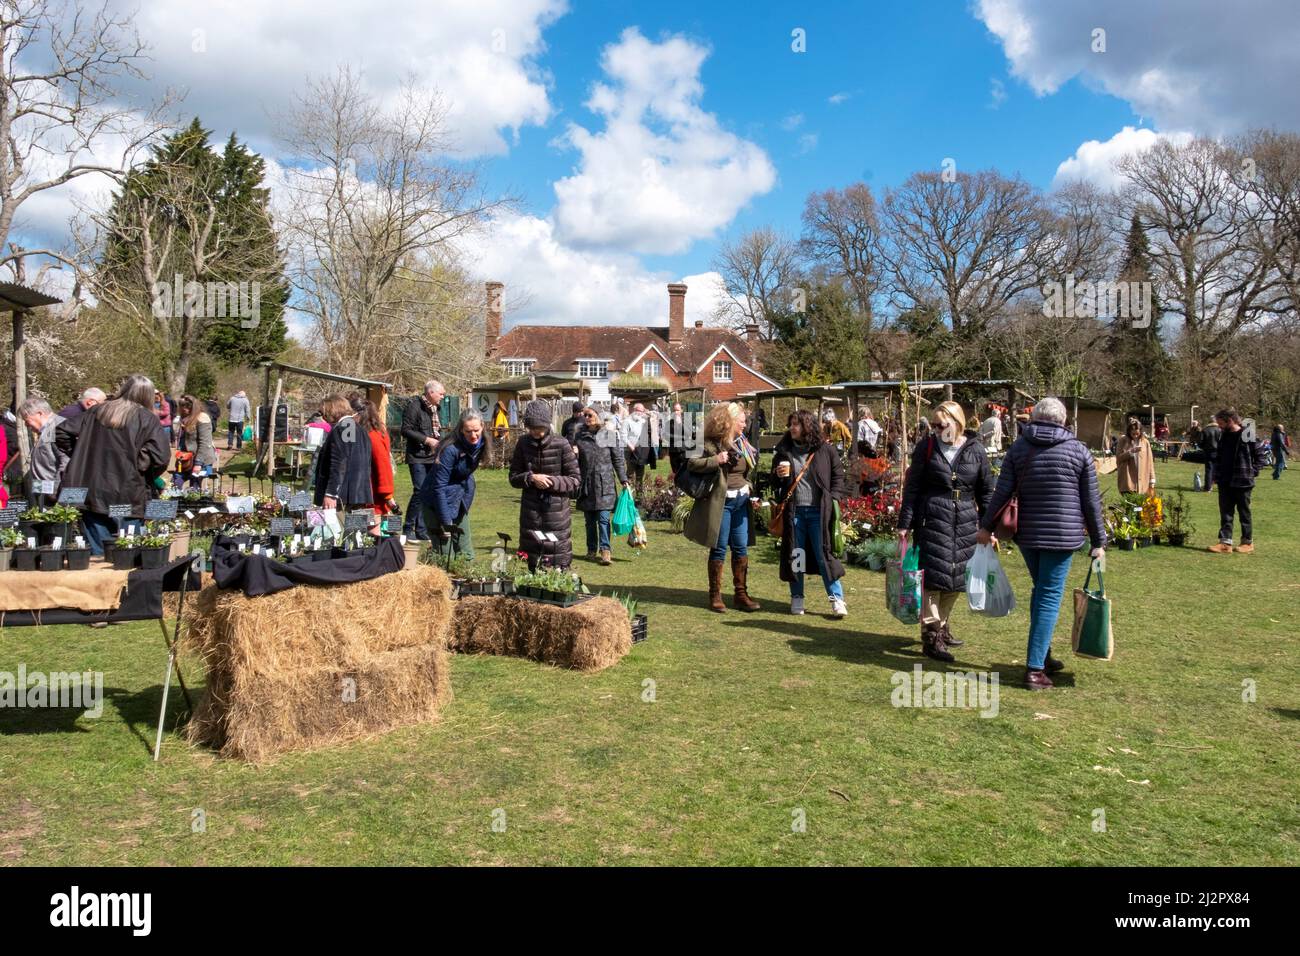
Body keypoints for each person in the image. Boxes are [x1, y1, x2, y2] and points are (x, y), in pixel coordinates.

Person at [976, 397, 1106, 690]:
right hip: (1062, 536)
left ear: (1033, 419)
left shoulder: (1019, 449)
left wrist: (985, 526)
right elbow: (1091, 503)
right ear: (1063, 421)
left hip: (1028, 535)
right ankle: (1035, 668)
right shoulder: (1078, 451)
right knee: (1048, 596)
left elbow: (1001, 492)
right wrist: (1099, 540)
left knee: (1041, 592)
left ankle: (1042, 655)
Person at [899, 400, 994, 660]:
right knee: (932, 579)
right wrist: (904, 524)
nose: (938, 428)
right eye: (935, 424)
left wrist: (988, 525)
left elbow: (986, 491)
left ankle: (942, 626)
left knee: (956, 579)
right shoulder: (927, 448)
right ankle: (931, 637)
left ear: (958, 422)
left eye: (943, 423)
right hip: (933, 519)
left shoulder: (975, 450)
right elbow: (912, 488)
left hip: (964, 521)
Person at [55, 374, 171, 555]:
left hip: (93, 492)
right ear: (148, 396)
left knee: (98, 555)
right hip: (129, 492)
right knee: (128, 555)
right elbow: (160, 457)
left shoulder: (97, 411)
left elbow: (61, 432)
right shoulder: (146, 418)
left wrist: (82, 456)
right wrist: (140, 466)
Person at [684, 402, 760, 613]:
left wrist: (749, 487)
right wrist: (715, 460)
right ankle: (715, 596)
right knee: (718, 548)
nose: (745, 424)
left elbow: (747, 472)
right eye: (742, 421)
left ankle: (741, 595)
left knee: (741, 547)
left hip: (741, 502)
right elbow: (691, 463)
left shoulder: (742, 442)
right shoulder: (708, 441)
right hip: (721, 502)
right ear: (729, 422)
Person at [772, 409, 848, 618]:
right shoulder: (784, 451)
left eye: (796, 424)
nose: (792, 428)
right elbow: (774, 481)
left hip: (819, 512)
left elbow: (838, 476)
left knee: (824, 555)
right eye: (791, 424)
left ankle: (836, 599)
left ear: (807, 426)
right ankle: (797, 598)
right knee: (797, 556)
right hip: (795, 512)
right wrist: (778, 476)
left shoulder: (825, 450)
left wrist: (834, 498)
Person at [509, 399, 580, 570]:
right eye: (532, 428)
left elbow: (575, 480)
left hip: (556, 514)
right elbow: (513, 477)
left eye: (539, 428)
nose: (536, 432)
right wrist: (531, 478)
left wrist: (551, 481)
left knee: (557, 562)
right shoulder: (523, 443)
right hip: (531, 513)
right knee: (532, 562)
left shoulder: (561, 444)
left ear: (547, 425)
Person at [421, 409, 487, 560]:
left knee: (466, 554)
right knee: (446, 556)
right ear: (461, 430)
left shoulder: (481, 445)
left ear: (482, 427)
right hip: (436, 501)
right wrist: (446, 522)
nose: (473, 435)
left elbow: (467, 476)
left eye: (476, 430)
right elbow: (439, 487)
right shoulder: (450, 450)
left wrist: (466, 503)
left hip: (458, 501)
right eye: (468, 431)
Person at [1208, 408, 1267, 554]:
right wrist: (1216, 474)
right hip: (1225, 481)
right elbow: (1219, 456)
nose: (1219, 426)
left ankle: (1247, 542)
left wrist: (1252, 472)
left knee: (1244, 513)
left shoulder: (1247, 433)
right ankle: (1225, 543)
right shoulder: (1223, 435)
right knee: (1226, 513)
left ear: (1230, 420)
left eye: (1221, 423)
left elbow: (1261, 455)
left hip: (1243, 481)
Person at [575, 406, 628, 566]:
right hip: (587, 484)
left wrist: (623, 479)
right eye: (584, 415)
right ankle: (591, 550)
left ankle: (605, 551)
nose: (586, 417)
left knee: (603, 519)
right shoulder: (579, 437)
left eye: (590, 414)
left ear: (598, 416)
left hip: (605, 483)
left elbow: (617, 459)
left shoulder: (609, 435)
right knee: (589, 521)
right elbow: (574, 461)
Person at [314, 394, 374, 513]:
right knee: (355, 531)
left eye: (323, 412)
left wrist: (331, 493)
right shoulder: (358, 428)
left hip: (343, 497)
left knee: (335, 531)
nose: (323, 417)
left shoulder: (347, 427)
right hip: (357, 494)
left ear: (332, 410)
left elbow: (341, 461)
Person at [401, 380, 445, 541]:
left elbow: (437, 430)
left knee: (428, 492)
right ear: (431, 393)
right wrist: (427, 440)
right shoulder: (414, 406)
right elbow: (405, 430)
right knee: (419, 490)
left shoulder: (435, 409)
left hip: (431, 456)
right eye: (441, 394)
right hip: (417, 456)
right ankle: (408, 527)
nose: (443, 396)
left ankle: (421, 529)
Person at [18, 398, 70, 498]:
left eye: (26, 419)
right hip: (46, 495)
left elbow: (67, 463)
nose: (26, 424)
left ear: (39, 414)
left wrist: (55, 493)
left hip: (55, 497)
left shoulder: (58, 428)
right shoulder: (48, 429)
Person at [360, 399, 398, 524]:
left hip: (373, 492)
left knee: (373, 530)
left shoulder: (373, 435)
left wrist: (387, 494)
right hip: (368, 491)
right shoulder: (372, 433)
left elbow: (382, 464)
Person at [174, 395, 217, 490]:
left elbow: (205, 443)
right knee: (175, 483)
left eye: (185, 406)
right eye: (181, 406)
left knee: (194, 488)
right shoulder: (184, 418)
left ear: (191, 407)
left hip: (201, 458)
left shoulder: (202, 418)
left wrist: (198, 463)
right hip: (185, 458)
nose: (183, 409)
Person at [1114, 417, 1156, 494]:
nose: (1135, 432)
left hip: (1143, 482)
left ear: (1140, 430)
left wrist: (1152, 479)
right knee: (1130, 504)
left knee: (1141, 505)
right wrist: (1131, 452)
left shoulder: (1145, 442)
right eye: (1132, 430)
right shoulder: (1123, 441)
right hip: (1127, 480)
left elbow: (1150, 462)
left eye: (1137, 430)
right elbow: (1118, 458)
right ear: (1129, 430)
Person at [622, 403, 653, 497]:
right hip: (630, 451)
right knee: (630, 474)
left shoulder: (643, 421)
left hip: (641, 452)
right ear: (634, 410)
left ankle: (639, 497)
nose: (640, 413)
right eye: (639, 410)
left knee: (640, 474)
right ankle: (627, 496)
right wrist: (630, 445)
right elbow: (623, 435)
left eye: (642, 411)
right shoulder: (627, 421)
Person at [666, 402, 690, 472]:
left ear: (681, 410)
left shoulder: (686, 421)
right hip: (673, 451)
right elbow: (667, 436)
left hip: (683, 450)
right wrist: (681, 437)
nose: (676, 412)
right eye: (674, 410)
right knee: (675, 472)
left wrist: (680, 423)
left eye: (677, 410)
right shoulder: (669, 422)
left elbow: (688, 434)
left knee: (684, 472)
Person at [1200, 416, 1221, 492]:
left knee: (1209, 469)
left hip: (1208, 451)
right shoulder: (1220, 429)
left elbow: (1200, 442)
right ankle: (1221, 486)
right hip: (1219, 451)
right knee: (1219, 469)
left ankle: (1208, 487)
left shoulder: (1205, 430)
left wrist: (1204, 447)